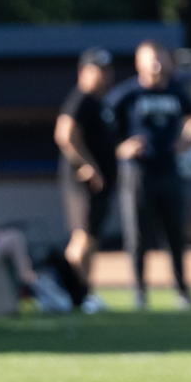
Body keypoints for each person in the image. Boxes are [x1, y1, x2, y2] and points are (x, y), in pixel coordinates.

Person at [105, 40, 191, 310]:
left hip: (169, 170)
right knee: (137, 235)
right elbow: (102, 127)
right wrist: (120, 148)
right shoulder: (127, 94)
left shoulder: (176, 92)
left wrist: (187, 140)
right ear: (139, 63)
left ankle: (182, 291)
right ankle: (139, 292)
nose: (157, 64)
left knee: (174, 234)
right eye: (151, 59)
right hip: (138, 173)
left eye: (161, 58)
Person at [54, 46, 116, 313]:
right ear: (84, 71)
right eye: (98, 69)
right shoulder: (80, 98)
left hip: (99, 184)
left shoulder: (99, 102)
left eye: (106, 69)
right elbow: (65, 134)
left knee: (92, 239)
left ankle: (84, 292)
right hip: (82, 183)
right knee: (82, 239)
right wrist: (89, 165)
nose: (104, 75)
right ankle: (66, 292)